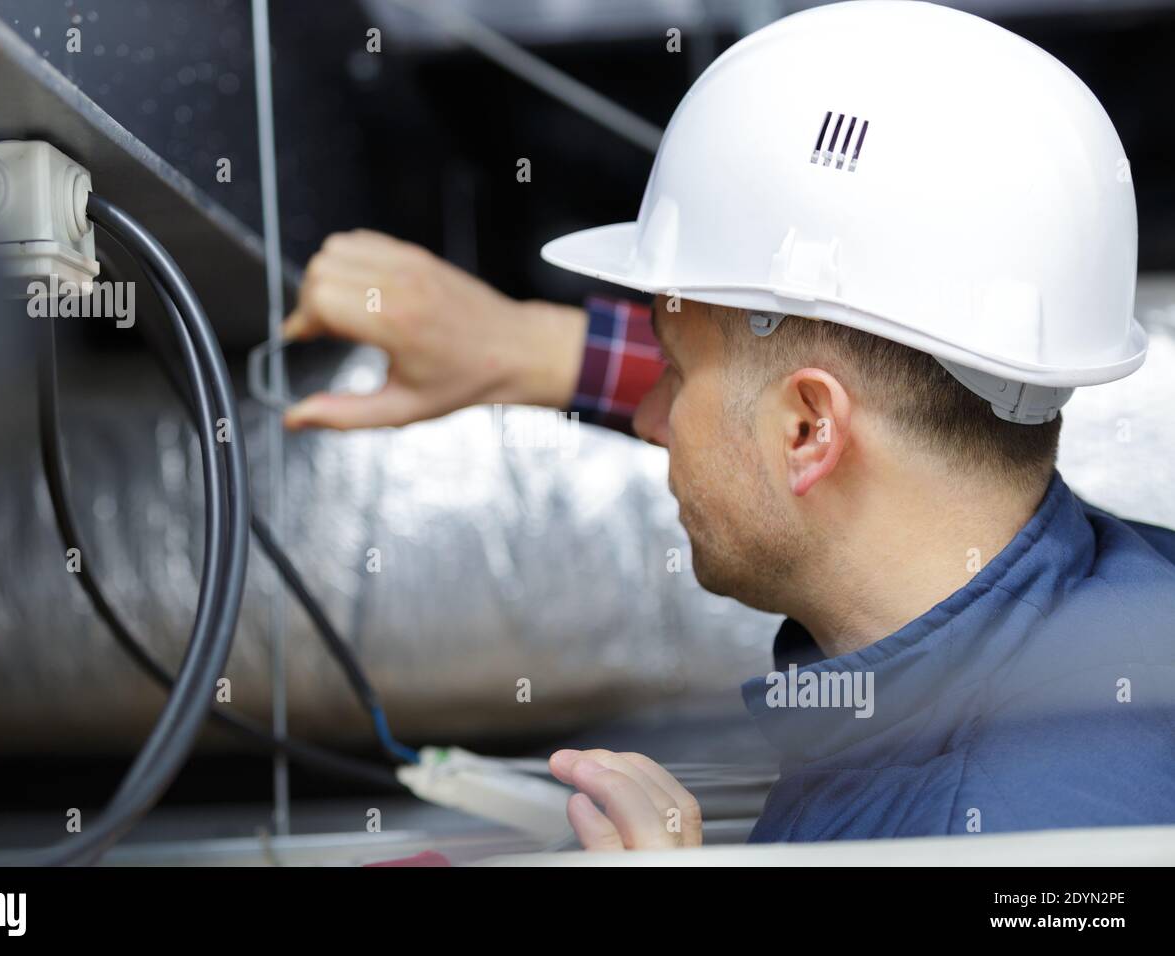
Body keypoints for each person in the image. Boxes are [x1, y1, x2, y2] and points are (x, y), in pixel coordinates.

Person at [281, 1, 1175, 851]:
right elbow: (797, 386)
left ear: (808, 432)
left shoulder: (986, 832)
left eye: (670, 368)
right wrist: (530, 350)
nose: (646, 415)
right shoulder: (1117, 621)